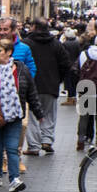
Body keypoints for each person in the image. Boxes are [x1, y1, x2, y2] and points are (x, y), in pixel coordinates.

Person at [0, 38, 43, 192]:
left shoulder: (22, 70)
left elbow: (31, 92)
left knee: (12, 149)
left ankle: (14, 179)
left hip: (14, 115)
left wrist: (38, 112)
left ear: (9, 52)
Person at [21, 18, 72, 155]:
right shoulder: (56, 44)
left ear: (34, 27)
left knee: (31, 115)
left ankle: (34, 146)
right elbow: (66, 64)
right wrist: (58, 79)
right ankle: (47, 140)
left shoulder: (26, 44)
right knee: (49, 114)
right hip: (51, 85)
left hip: (31, 85)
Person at [61, 27, 82, 101]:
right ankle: (75, 95)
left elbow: (63, 55)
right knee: (75, 81)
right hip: (76, 64)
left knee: (69, 82)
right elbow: (79, 53)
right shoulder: (77, 43)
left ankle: (71, 96)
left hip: (68, 65)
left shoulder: (65, 44)